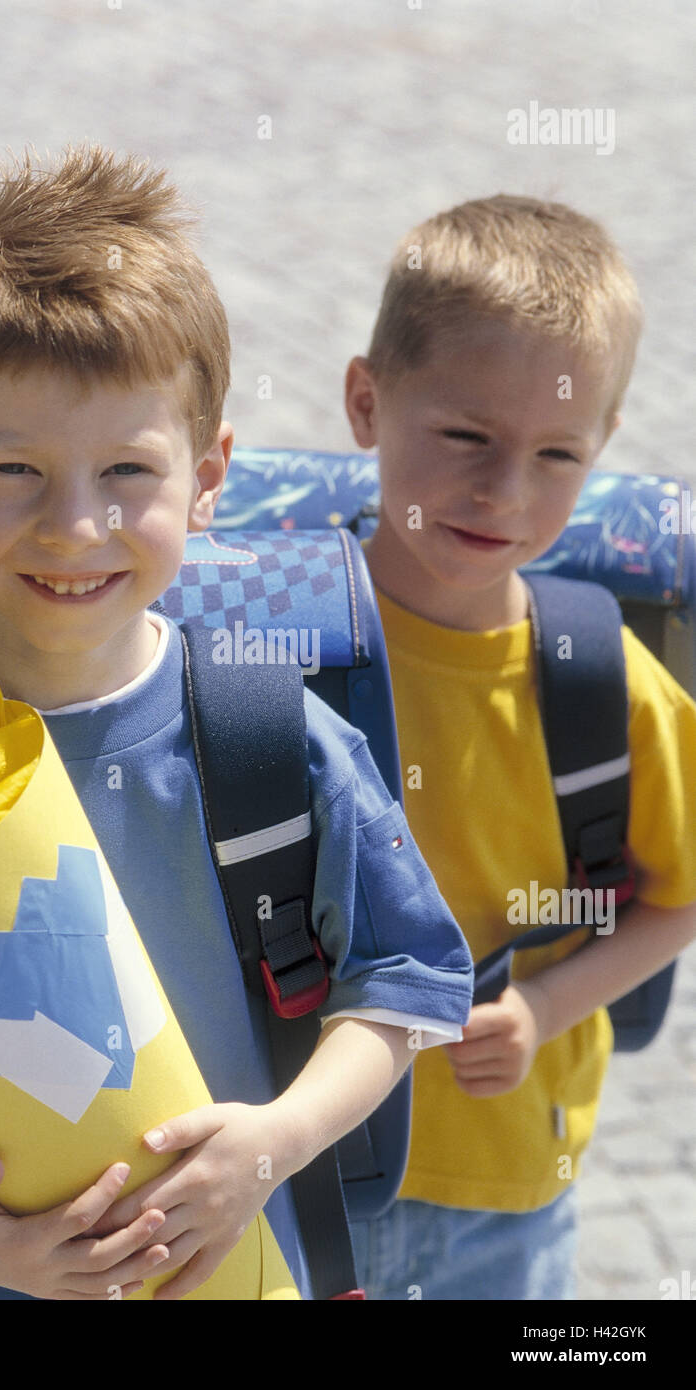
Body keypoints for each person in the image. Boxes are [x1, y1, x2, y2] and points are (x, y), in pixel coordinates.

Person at [0, 144, 473, 1301]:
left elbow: (408, 980)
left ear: (210, 473)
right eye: (15, 467)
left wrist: (272, 1142)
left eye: (128, 468)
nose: (75, 527)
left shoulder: (265, 739)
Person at [343, 193, 696, 1300]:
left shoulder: (601, 680)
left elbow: (677, 893)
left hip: (506, 1200)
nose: (504, 490)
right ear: (366, 400)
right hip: (294, 1178)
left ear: (602, 447)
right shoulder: (272, 643)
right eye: (464, 436)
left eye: (556, 453)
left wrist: (546, 1007)